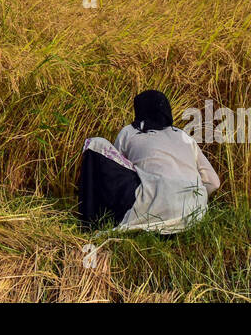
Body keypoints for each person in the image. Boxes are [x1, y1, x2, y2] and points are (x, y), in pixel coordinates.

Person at [78, 89, 220, 233]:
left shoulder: (130, 131)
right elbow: (214, 182)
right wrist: (189, 198)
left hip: (152, 206)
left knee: (95, 143)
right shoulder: (185, 137)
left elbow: (115, 169)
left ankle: (90, 222)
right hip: (194, 214)